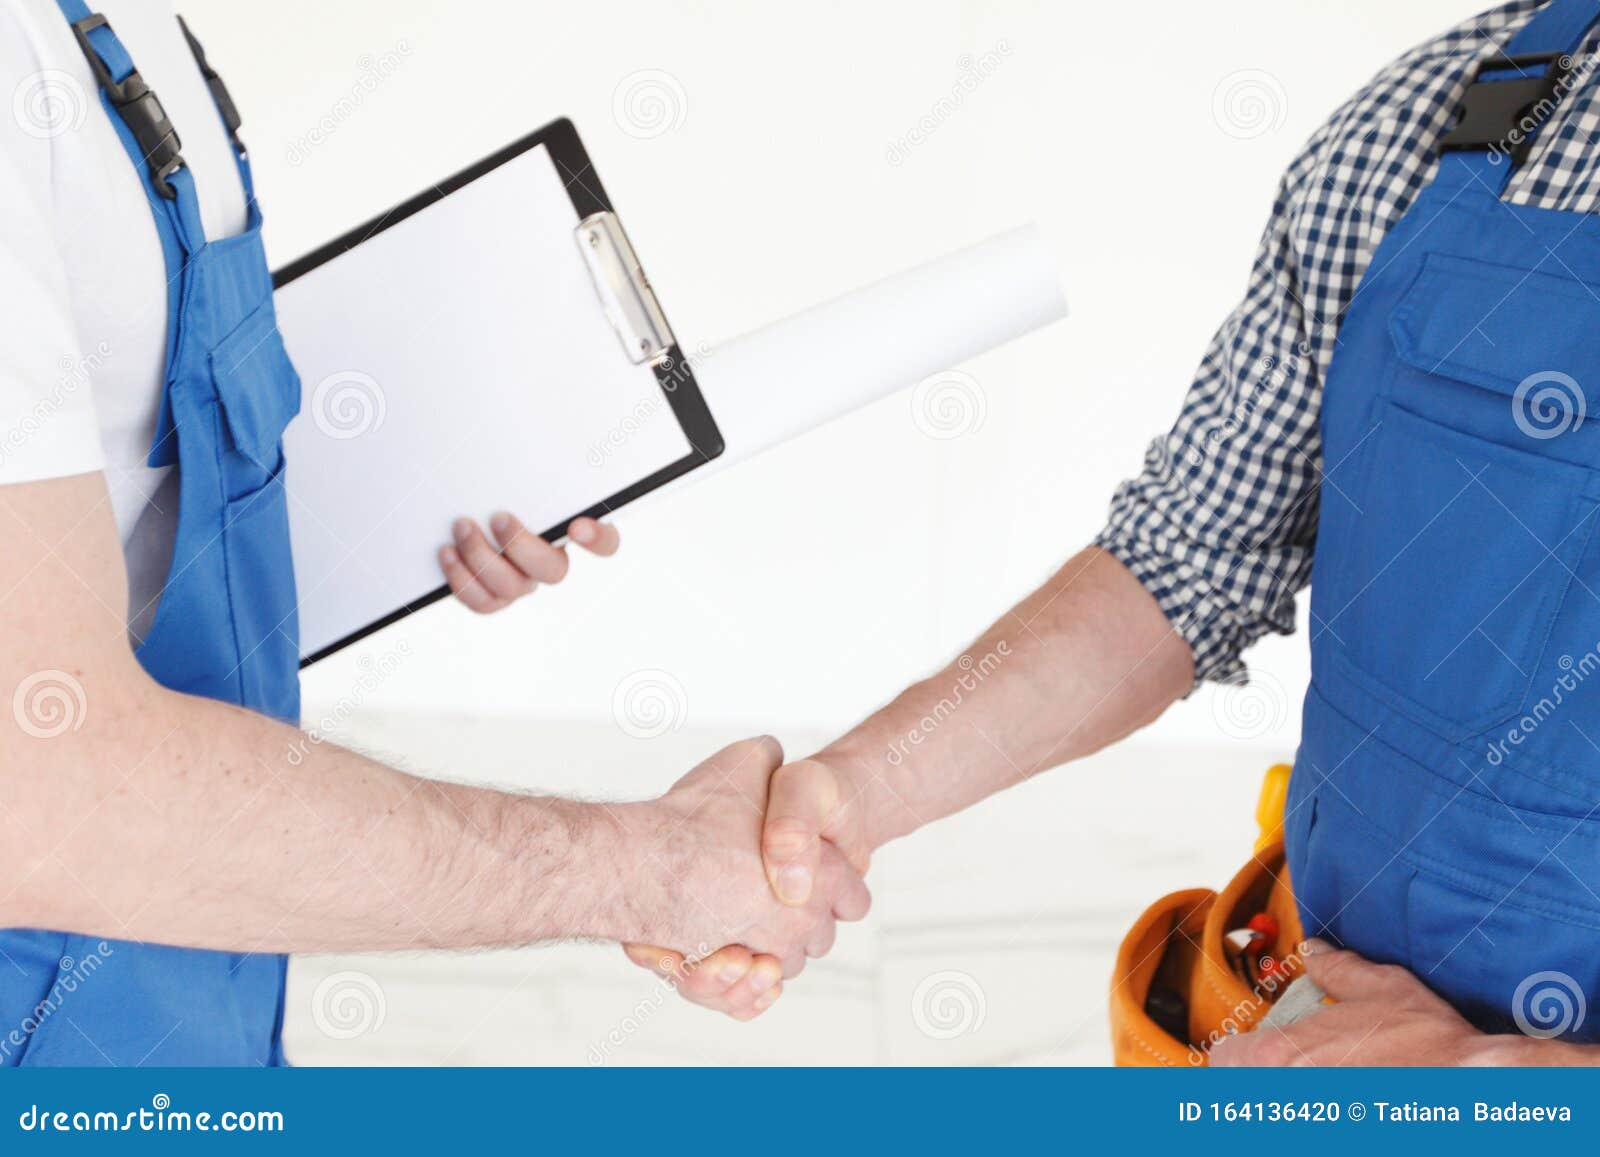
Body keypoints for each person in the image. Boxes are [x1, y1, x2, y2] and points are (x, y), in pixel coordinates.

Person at [642, 0, 1600, 1063]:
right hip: (1311, 1035)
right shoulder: (1437, 123)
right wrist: (844, 794)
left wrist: (1513, 1078)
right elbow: (1182, 561)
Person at [0, 0, 868, 1066]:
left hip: (190, 1004)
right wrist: (650, 867)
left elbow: (117, 512)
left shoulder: (132, 34)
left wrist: (407, 500)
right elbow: (43, 786)